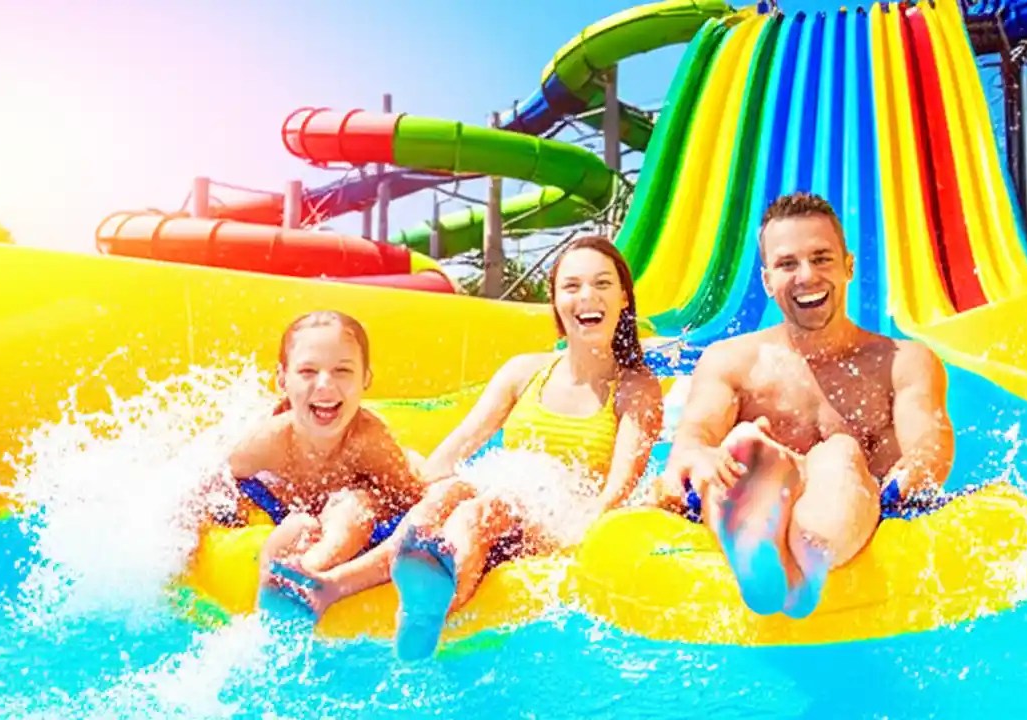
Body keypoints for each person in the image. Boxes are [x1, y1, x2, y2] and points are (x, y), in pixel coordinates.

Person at [267, 235, 665, 660]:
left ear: (624, 297)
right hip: (507, 486)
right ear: (555, 301)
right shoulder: (524, 372)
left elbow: (617, 491)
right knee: (447, 493)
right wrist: (397, 485)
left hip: (560, 516)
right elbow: (455, 450)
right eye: (571, 286)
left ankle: (417, 596)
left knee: (481, 512)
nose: (587, 296)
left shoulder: (636, 389)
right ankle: (333, 585)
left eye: (602, 284)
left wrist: (580, 545)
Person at [649, 191, 955, 620]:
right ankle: (771, 547)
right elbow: (694, 437)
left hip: (860, 499)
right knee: (740, 445)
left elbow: (929, 449)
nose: (806, 276)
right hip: (762, 491)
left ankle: (794, 547)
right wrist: (697, 459)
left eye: (822, 258)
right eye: (788, 264)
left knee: (840, 454)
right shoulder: (733, 361)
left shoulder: (903, 362)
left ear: (848, 266)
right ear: (767, 280)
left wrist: (898, 486)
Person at [204, 310, 425, 605]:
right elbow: (211, 477)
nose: (324, 384)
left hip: (346, 515)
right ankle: (284, 566)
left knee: (354, 504)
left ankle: (308, 572)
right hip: (280, 503)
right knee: (295, 523)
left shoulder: (370, 443)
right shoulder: (268, 440)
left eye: (343, 371)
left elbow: (411, 498)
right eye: (308, 371)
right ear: (282, 380)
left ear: (366, 379)